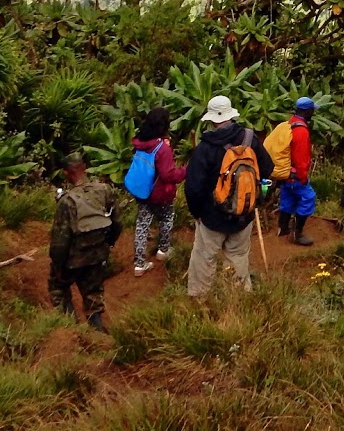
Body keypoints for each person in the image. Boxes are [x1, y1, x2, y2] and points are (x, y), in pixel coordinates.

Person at [183, 94, 274, 298]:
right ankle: (239, 297)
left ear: (212, 119)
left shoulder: (205, 148)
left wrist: (197, 213)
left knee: (204, 256)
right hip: (244, 213)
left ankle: (199, 298)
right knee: (238, 255)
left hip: (212, 217)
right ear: (231, 115)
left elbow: (193, 187)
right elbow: (268, 168)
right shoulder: (250, 139)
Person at [48, 151, 119, 331]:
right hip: (97, 254)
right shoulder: (105, 191)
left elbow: (60, 241)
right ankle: (96, 327)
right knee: (93, 291)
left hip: (73, 259)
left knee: (58, 286)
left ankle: (70, 328)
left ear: (66, 173)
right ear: (85, 167)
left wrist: (57, 265)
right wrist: (107, 244)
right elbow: (117, 223)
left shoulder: (67, 201)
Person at [130, 106, 187, 275]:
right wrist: (185, 171)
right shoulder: (162, 149)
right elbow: (168, 174)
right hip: (160, 193)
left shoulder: (139, 142)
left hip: (142, 190)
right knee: (167, 218)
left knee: (142, 225)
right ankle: (163, 249)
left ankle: (139, 263)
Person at [275, 97, 318, 246]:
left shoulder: (290, 123)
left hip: (285, 172)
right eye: (312, 110)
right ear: (307, 111)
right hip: (295, 175)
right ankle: (297, 234)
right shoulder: (301, 131)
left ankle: (283, 228)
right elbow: (301, 158)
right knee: (308, 197)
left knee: (288, 199)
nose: (313, 113)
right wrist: (303, 177)